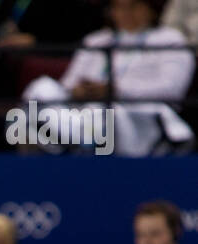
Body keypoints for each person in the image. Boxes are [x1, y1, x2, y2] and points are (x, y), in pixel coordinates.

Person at [22, 0, 196, 157]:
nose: (125, 13)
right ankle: (63, 145)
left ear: (150, 9)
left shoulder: (171, 40)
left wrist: (114, 90)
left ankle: (71, 148)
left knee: (107, 112)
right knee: (41, 88)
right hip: (83, 111)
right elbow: (67, 84)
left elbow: (172, 90)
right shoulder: (96, 40)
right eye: (118, 7)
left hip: (138, 115)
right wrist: (77, 90)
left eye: (132, 6)